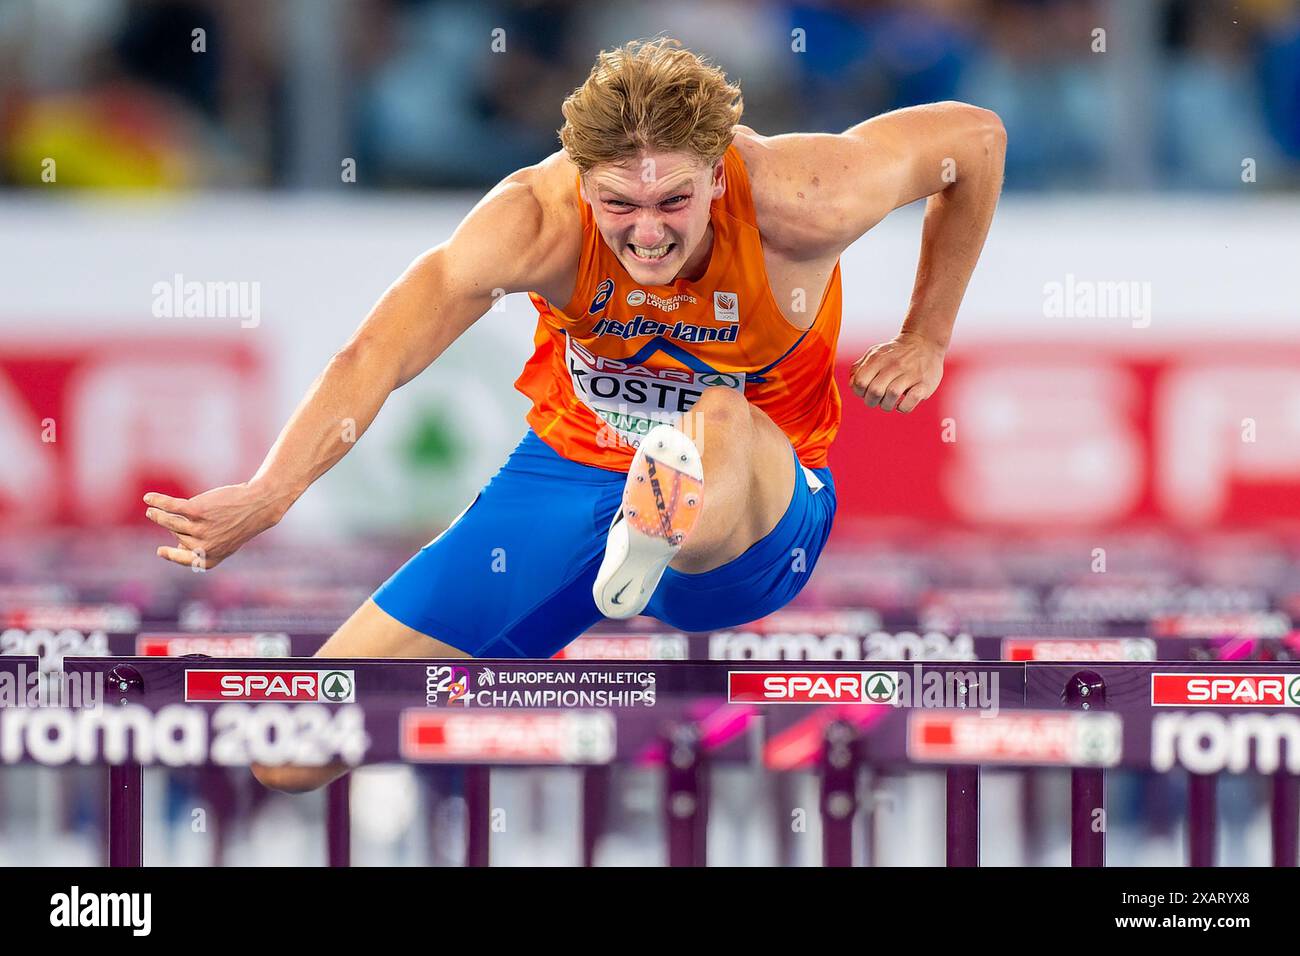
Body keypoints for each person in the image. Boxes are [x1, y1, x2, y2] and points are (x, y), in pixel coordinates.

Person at [143, 38, 1005, 792]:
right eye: (619, 207)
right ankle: (639, 524)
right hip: (569, 477)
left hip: (752, 517)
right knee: (292, 750)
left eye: (673, 203)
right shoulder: (535, 217)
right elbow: (376, 353)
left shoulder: (809, 194)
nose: (648, 235)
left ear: (717, 173)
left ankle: (664, 525)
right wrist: (271, 491)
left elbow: (976, 139)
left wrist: (928, 334)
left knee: (718, 415)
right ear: (581, 181)